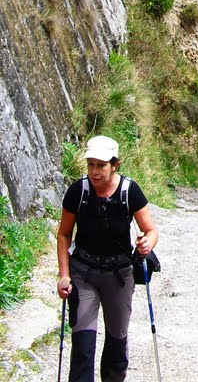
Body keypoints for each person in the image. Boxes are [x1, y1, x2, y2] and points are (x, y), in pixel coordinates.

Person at [56, 135, 158, 382]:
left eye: (100, 165)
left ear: (115, 165)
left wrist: (147, 243)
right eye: (90, 164)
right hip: (83, 274)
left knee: (116, 346)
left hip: (119, 277)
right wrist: (64, 275)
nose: (94, 171)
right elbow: (64, 234)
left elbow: (151, 230)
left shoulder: (129, 191)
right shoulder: (78, 191)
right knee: (82, 346)